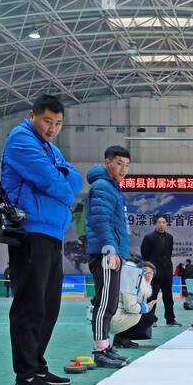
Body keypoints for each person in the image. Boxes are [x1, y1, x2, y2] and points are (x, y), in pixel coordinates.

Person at [1, 92, 86, 385]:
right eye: (47, 121)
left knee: (49, 305)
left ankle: (38, 365)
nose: (52, 128)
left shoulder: (49, 148)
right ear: (33, 115)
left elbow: (75, 179)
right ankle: (25, 374)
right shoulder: (21, 140)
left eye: (58, 123)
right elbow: (58, 185)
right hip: (30, 231)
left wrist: (61, 182)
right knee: (30, 303)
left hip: (52, 232)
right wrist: (62, 187)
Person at [84, 144, 133, 369]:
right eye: (119, 163)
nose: (123, 169)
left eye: (127, 165)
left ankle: (105, 346)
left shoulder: (113, 187)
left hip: (112, 252)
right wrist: (111, 249)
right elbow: (100, 221)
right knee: (104, 303)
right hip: (105, 253)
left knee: (111, 302)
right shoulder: (103, 186)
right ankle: (99, 350)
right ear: (107, 163)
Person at [140, 214, 177, 326]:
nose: (161, 225)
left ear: (166, 224)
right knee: (152, 297)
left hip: (167, 273)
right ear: (155, 223)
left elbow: (169, 254)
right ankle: (151, 320)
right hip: (154, 274)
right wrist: (149, 271)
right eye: (159, 222)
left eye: (164, 222)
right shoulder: (148, 237)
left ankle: (170, 319)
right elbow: (145, 256)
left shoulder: (170, 237)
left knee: (168, 297)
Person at [111, 262, 158, 347]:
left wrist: (145, 308)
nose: (148, 275)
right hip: (115, 318)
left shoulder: (142, 286)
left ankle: (124, 338)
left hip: (119, 316)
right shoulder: (132, 285)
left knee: (148, 317)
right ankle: (121, 338)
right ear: (138, 273)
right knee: (149, 318)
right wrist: (146, 307)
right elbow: (130, 307)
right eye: (144, 272)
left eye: (151, 273)